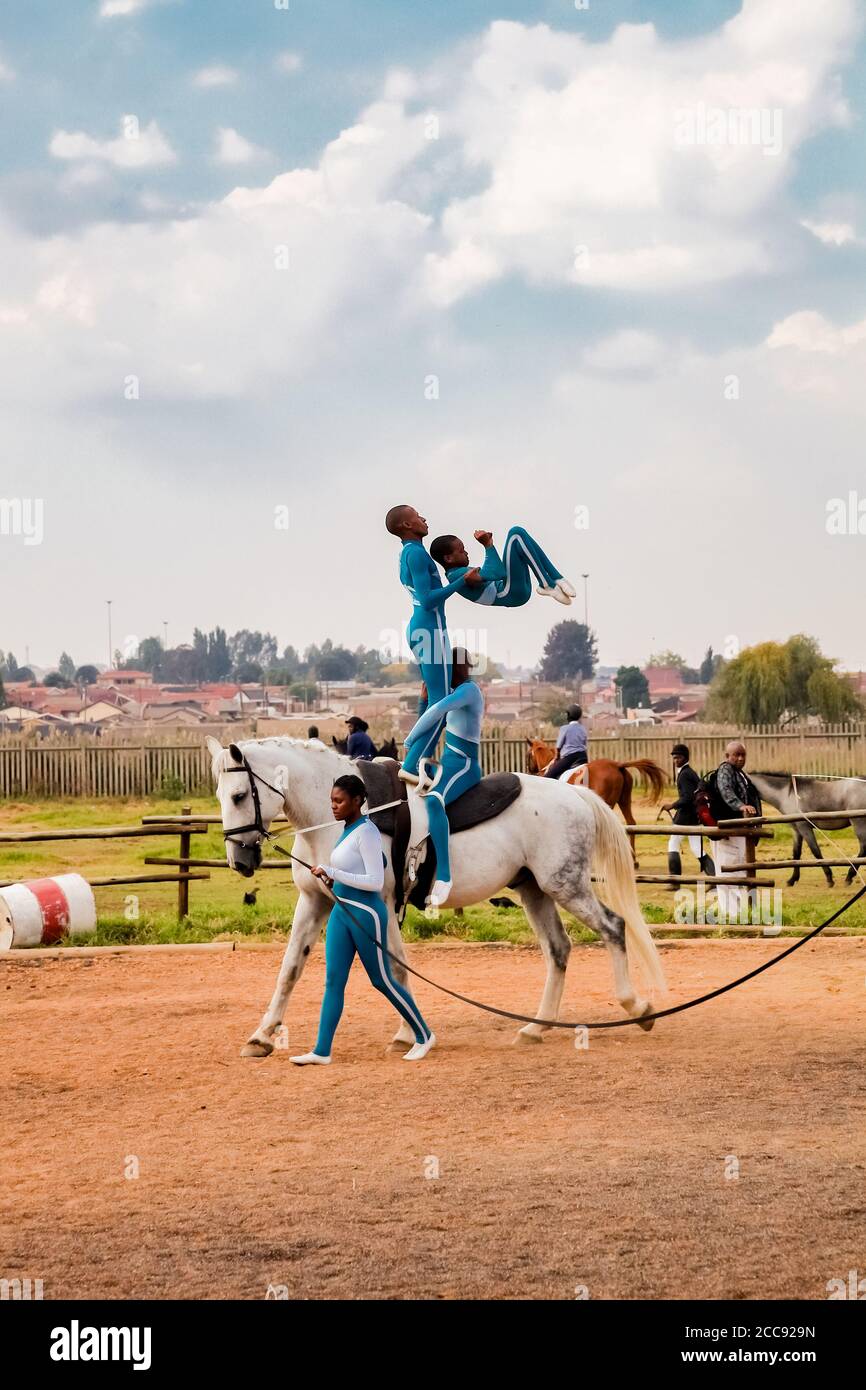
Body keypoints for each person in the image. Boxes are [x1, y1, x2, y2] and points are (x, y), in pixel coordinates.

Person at [290, 774, 435, 1065]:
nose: (334, 806)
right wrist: (333, 878)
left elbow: (375, 881)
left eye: (339, 801)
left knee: (381, 980)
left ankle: (424, 1034)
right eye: (332, 800)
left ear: (357, 801)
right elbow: (354, 870)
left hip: (366, 913)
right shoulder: (348, 829)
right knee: (333, 981)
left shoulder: (367, 832)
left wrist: (333, 872)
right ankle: (322, 1050)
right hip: (342, 912)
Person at [385, 504, 482, 780]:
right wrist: (462, 580)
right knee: (441, 701)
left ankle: (413, 760)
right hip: (430, 630)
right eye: (417, 516)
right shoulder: (415, 554)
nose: (424, 518)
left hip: (425, 630)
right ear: (406, 525)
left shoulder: (411, 553)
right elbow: (428, 600)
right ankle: (411, 764)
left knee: (435, 700)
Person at [403, 648, 483, 906]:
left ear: (454, 668)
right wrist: (422, 700)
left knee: (435, 801)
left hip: (464, 765)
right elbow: (430, 718)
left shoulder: (469, 691)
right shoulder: (452, 694)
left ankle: (445, 877)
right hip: (445, 763)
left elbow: (438, 713)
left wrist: (410, 737)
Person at [430, 528, 575, 608]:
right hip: (509, 592)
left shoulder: (459, 572)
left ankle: (555, 578)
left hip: (514, 590)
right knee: (515, 534)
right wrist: (488, 545)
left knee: (520, 540)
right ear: (448, 558)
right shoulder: (456, 576)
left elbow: (495, 571)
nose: (466, 552)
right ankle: (547, 584)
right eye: (461, 551)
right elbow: (497, 572)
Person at [712, 741, 762, 922]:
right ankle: (732, 916)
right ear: (727, 756)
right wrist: (741, 806)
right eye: (736, 755)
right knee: (729, 869)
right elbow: (726, 791)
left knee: (739, 867)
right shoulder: (726, 770)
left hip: (739, 829)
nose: (740, 758)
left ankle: (741, 914)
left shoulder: (741, 774)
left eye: (743, 755)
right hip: (728, 830)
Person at [661, 743, 715, 888]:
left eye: (678, 757)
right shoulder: (689, 772)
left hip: (685, 817)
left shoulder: (685, 774)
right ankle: (714, 879)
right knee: (697, 848)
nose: (675, 761)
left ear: (685, 758)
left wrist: (672, 805)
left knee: (673, 843)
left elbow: (687, 798)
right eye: (674, 758)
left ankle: (675, 881)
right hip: (694, 816)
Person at [543, 705, 588, 778]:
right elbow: (584, 744)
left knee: (548, 776)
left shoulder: (564, 728)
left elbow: (558, 747)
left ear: (569, 715)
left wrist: (556, 758)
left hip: (570, 758)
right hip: (583, 756)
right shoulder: (583, 728)